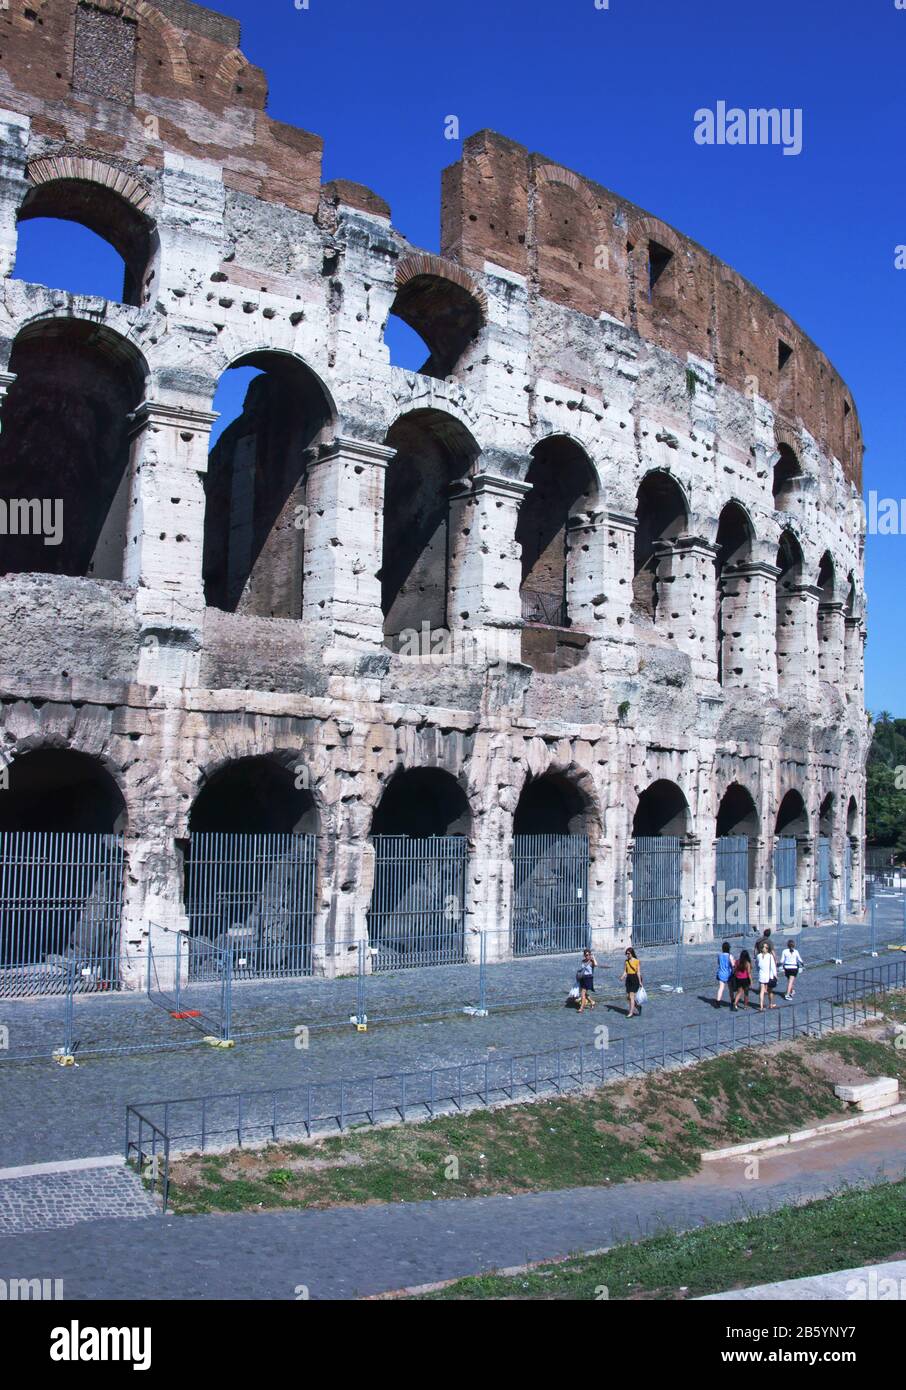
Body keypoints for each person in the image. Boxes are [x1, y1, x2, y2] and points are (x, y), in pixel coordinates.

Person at [756, 940, 778, 1010]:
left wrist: (758, 971)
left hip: (761, 976)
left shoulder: (758, 956)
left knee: (761, 992)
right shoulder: (770, 956)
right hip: (769, 976)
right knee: (770, 991)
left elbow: (757, 965)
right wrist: (775, 975)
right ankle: (771, 1004)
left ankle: (761, 1006)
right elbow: (773, 967)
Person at [621, 947, 643, 1017]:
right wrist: (622, 976)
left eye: (628, 953)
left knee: (631, 996)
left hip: (634, 979)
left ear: (632, 953)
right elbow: (625, 971)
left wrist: (640, 982)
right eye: (626, 954)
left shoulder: (637, 961)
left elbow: (638, 972)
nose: (627, 955)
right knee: (628, 997)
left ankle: (631, 1013)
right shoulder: (626, 962)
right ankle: (638, 1007)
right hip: (628, 979)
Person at [715, 940, 736, 1007]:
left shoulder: (719, 955)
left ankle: (718, 1002)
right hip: (728, 974)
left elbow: (718, 963)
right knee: (730, 988)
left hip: (721, 973)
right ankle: (732, 1001)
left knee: (721, 988)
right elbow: (733, 965)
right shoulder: (730, 956)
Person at [576, 948, 597, 1012]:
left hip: (588, 978)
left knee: (582, 993)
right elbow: (582, 969)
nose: (587, 956)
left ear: (590, 955)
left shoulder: (591, 962)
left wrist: (593, 958)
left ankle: (581, 1008)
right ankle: (592, 1002)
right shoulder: (583, 961)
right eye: (585, 955)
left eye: (588, 955)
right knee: (584, 993)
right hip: (582, 978)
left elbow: (595, 965)